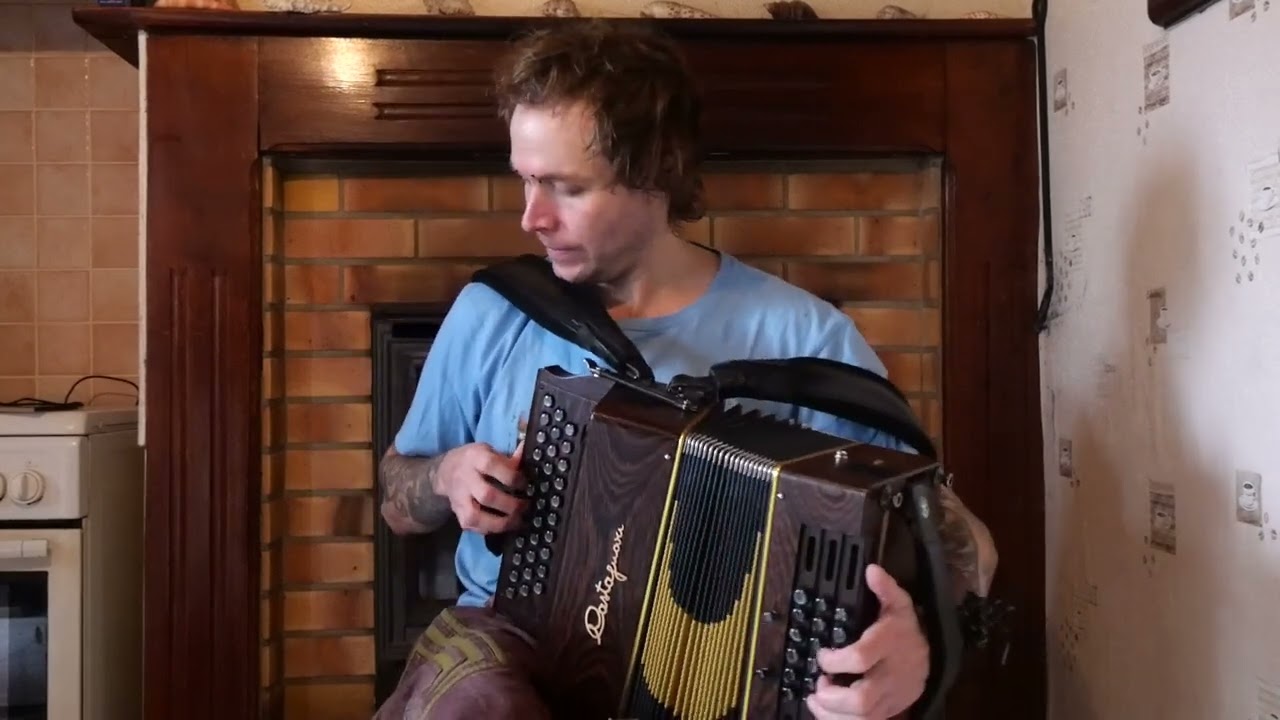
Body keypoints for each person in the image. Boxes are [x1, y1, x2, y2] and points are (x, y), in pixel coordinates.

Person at [375, 18, 933, 720]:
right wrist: (446, 475)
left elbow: (952, 536)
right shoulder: (496, 311)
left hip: (722, 676)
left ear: (653, 175)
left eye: (565, 188)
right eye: (524, 180)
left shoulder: (803, 336)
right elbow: (397, 500)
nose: (530, 218)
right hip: (515, 650)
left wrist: (918, 640)